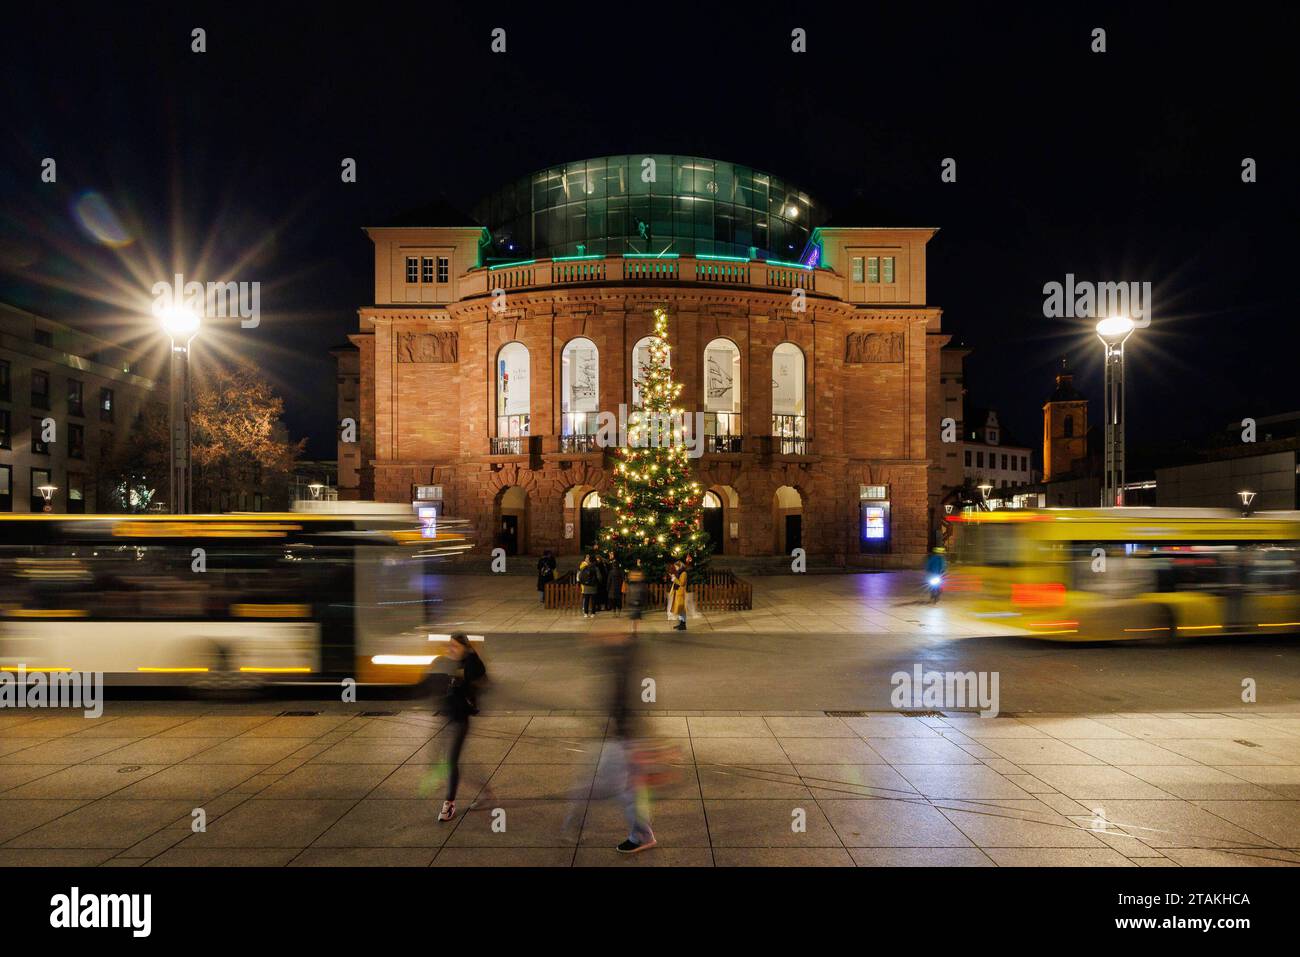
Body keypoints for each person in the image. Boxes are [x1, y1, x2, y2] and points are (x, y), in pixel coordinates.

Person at [437, 632, 490, 822]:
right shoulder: (453, 661)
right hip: (448, 716)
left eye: (455, 646)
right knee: (452, 761)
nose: (451, 649)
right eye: (450, 645)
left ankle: (449, 804)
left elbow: (481, 682)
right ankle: (486, 792)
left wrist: (466, 686)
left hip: (461, 719)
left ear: (465, 647)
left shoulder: (471, 664)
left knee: (452, 760)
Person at [670, 560, 688, 630]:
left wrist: (675, 579)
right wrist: (674, 578)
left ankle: (683, 625)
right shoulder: (679, 573)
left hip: (681, 593)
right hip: (678, 592)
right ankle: (681, 623)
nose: (675, 568)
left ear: (679, 566)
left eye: (676, 567)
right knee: (680, 609)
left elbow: (682, 583)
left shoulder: (683, 573)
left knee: (682, 609)